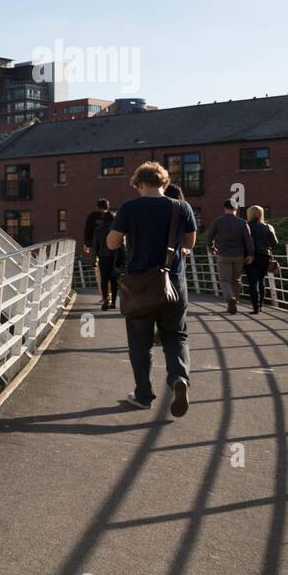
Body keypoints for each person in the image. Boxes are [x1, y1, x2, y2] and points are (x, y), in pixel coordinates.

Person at [106, 161, 197, 417]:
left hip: (140, 284)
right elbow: (189, 242)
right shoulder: (182, 207)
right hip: (173, 282)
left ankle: (143, 396)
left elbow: (112, 244)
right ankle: (179, 378)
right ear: (164, 183)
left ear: (139, 183)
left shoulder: (129, 208)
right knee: (176, 336)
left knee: (140, 342)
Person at [207, 200, 253, 314]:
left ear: (224, 208)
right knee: (236, 280)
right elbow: (249, 240)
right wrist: (251, 254)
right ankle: (235, 302)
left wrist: (211, 247)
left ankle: (229, 299)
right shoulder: (243, 222)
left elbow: (209, 237)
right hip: (239, 255)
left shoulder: (217, 222)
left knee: (224, 280)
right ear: (236, 209)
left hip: (223, 254)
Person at [246, 205, 279, 314]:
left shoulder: (246, 226)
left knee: (252, 282)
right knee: (261, 281)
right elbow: (275, 242)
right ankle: (260, 306)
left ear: (249, 214)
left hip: (250, 257)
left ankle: (255, 307)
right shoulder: (268, 227)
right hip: (264, 256)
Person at [92, 209, 123, 310]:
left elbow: (95, 247)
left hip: (103, 257)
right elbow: (121, 245)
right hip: (115, 256)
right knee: (113, 279)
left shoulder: (98, 230)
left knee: (104, 280)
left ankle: (105, 299)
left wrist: (93, 260)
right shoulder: (116, 229)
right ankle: (113, 302)